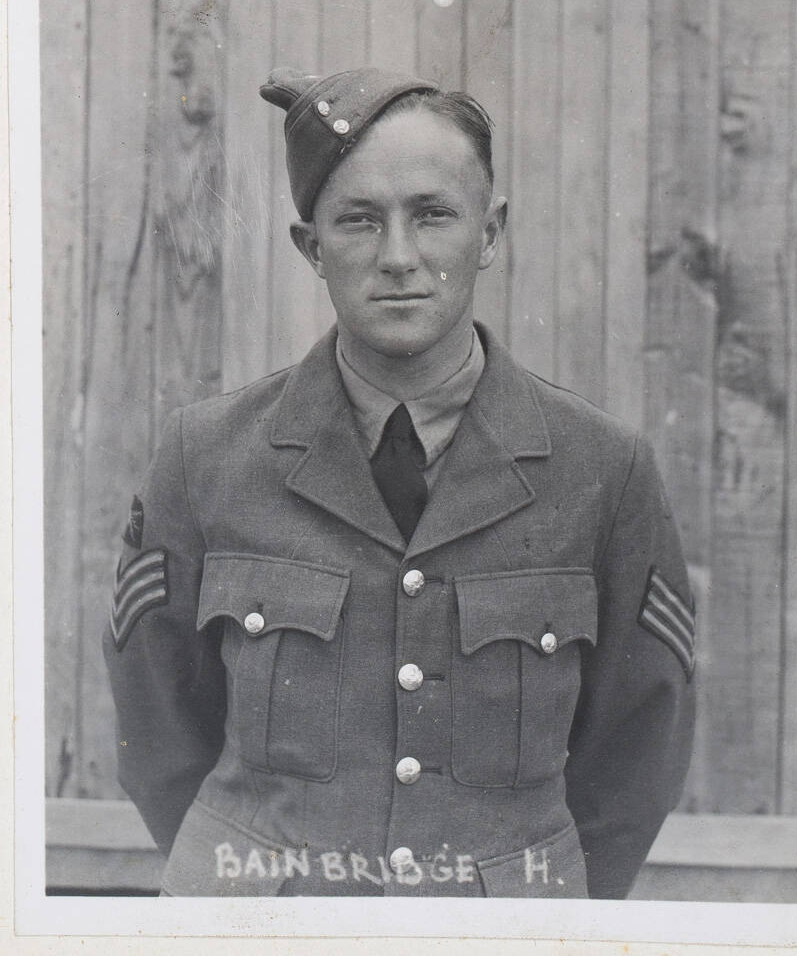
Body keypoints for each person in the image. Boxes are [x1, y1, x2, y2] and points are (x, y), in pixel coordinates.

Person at [103, 64, 695, 899]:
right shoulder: (207, 457)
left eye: (433, 216)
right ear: (310, 247)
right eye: (356, 221)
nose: (398, 258)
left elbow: (636, 751)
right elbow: (158, 732)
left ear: (489, 233)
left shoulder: (603, 468)